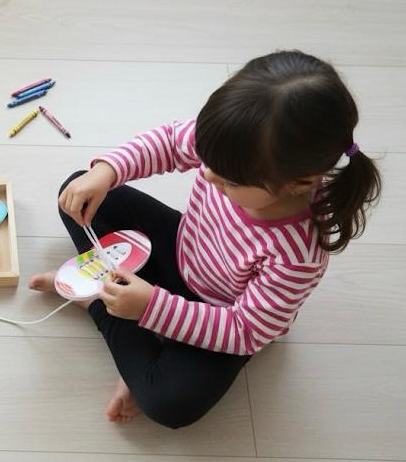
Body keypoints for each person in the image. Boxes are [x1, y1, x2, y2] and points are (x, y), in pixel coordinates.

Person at [28, 50, 381, 428]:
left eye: (229, 181)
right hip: (181, 249)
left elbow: (244, 331)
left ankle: (100, 305)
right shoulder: (232, 143)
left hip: (224, 314)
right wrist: (109, 171)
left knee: (168, 403)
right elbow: (166, 142)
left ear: (298, 183)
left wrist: (151, 308)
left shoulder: (298, 254)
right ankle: (133, 335)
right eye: (208, 162)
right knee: (79, 194)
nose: (208, 175)